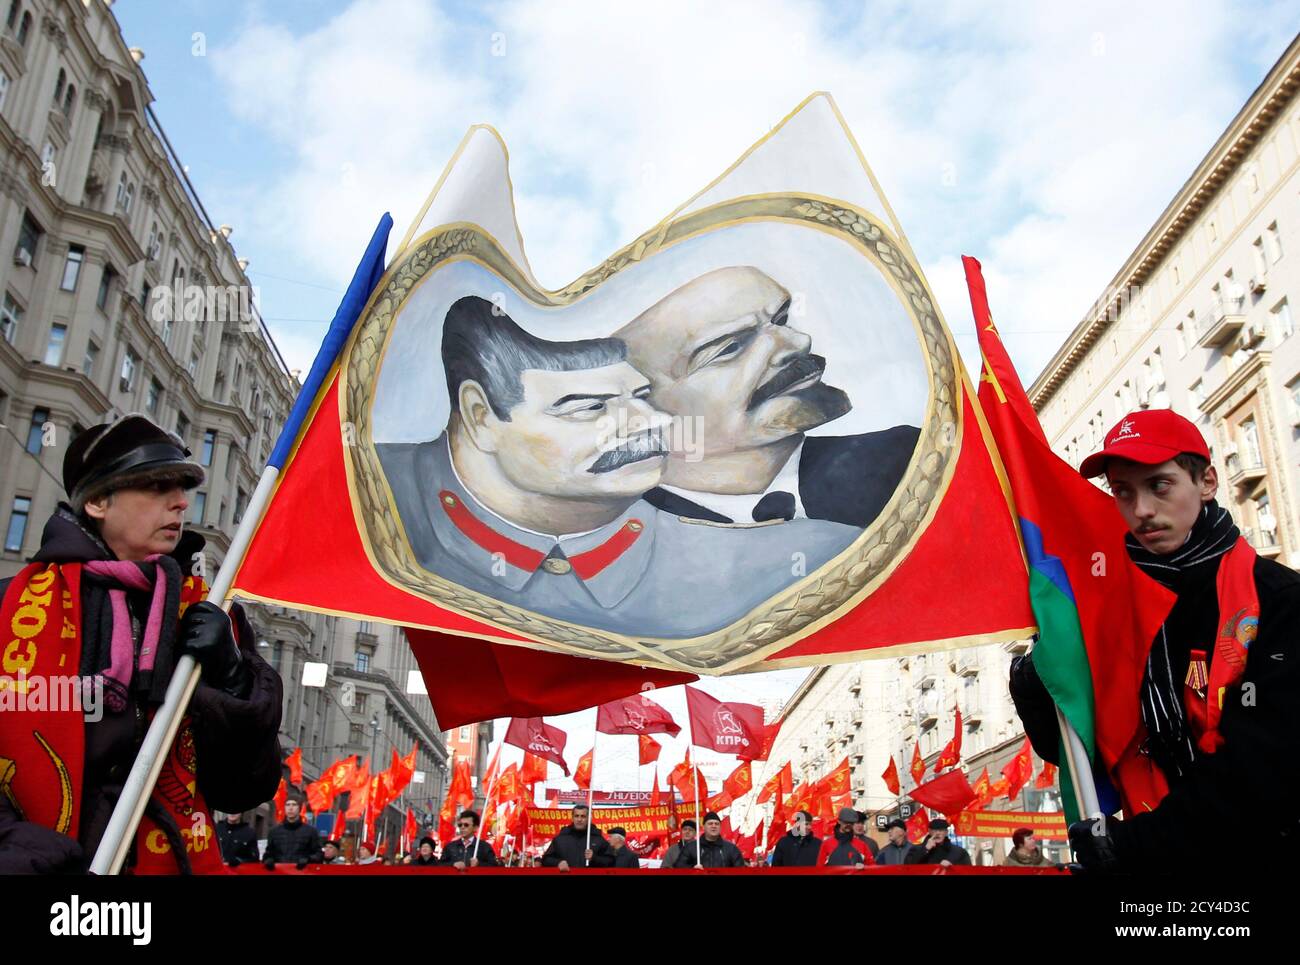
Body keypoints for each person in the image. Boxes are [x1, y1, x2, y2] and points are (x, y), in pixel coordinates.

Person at [374, 297, 859, 644]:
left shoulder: (805, 554)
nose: (649, 425)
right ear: (481, 415)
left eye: (642, 397)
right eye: (589, 408)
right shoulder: (363, 497)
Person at [1010, 409, 1300, 872]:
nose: (1141, 510)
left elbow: (1265, 770)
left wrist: (1132, 847)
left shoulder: (1279, 600)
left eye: (1159, 485)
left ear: (1206, 482)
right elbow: (1082, 745)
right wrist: (1037, 685)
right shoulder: (1107, 608)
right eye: (1123, 492)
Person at [0, 414, 283, 874]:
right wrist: (24, 852)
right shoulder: (10, 606)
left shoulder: (208, 614)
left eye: (183, 490)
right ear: (97, 502)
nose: (179, 503)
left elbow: (243, 788)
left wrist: (233, 679)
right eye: (156, 488)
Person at [616, 267, 920, 529]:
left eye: (782, 319)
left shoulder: (915, 461)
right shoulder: (610, 542)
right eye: (728, 349)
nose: (799, 342)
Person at [540, 804, 613, 870]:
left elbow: (610, 861)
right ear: (572, 818)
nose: (579, 819)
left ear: (589, 818)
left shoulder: (598, 839)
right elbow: (546, 860)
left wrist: (595, 858)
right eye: (576, 816)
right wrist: (558, 863)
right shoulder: (560, 839)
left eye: (583, 816)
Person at [264, 795, 324, 868]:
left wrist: (308, 859)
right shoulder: (274, 831)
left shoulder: (311, 831)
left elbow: (319, 855)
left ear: (300, 808)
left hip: (302, 871)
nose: (290, 808)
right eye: (288, 805)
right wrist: (269, 859)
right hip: (280, 871)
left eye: (294, 805)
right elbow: (268, 853)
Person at [672, 812, 744, 868]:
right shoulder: (691, 847)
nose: (714, 826)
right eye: (710, 823)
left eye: (717, 824)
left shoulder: (731, 849)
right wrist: (692, 870)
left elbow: (740, 870)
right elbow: (678, 867)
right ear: (704, 827)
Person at [904, 818, 970, 866]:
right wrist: (925, 849)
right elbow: (907, 867)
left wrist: (952, 867)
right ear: (929, 831)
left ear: (946, 832)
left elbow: (967, 871)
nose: (938, 833)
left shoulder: (958, 851)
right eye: (935, 830)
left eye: (941, 830)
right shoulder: (916, 849)